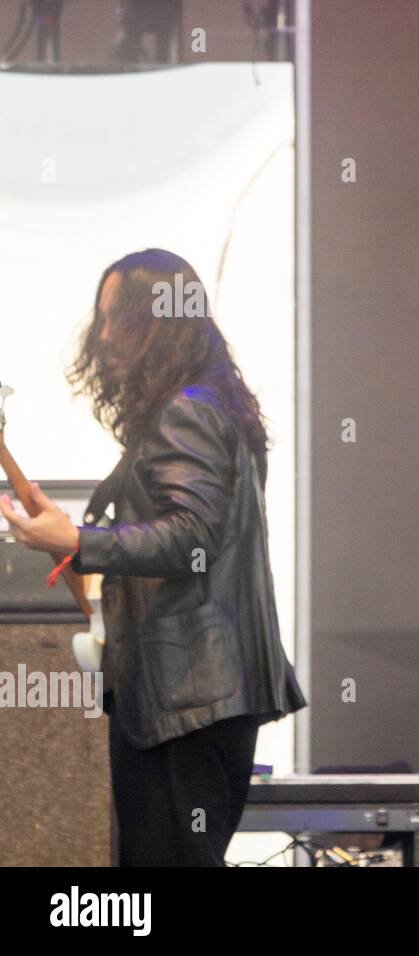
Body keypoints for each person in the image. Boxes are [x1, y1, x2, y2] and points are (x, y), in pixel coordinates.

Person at [0, 248, 306, 866]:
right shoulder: (210, 404)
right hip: (200, 695)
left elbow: (190, 535)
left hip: (186, 699)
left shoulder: (186, 411)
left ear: (158, 324)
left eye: (118, 319)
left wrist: (78, 542)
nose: (105, 336)